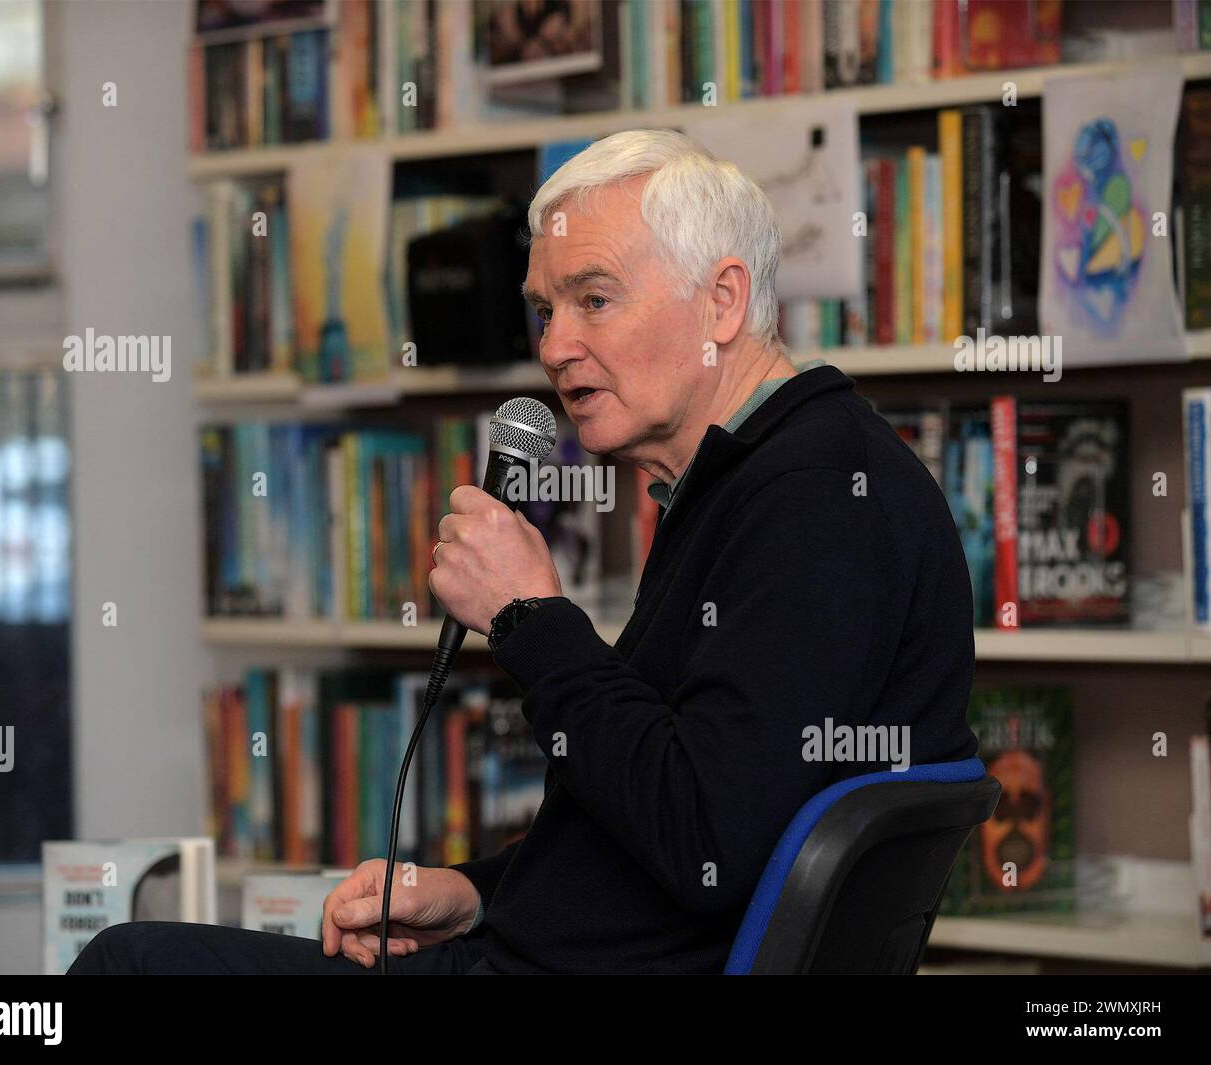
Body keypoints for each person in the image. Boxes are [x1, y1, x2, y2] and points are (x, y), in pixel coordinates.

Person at [70, 129, 977, 975]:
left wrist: (529, 617)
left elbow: (707, 844)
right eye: (543, 310)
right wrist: (473, 891)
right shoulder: (752, 478)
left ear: (724, 300)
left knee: (130, 962)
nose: (553, 346)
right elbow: (659, 816)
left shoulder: (820, 499)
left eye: (594, 298)